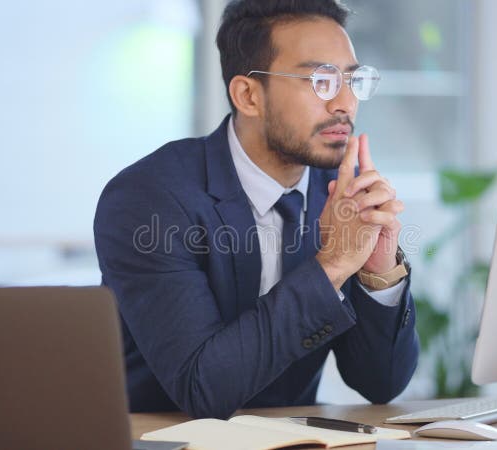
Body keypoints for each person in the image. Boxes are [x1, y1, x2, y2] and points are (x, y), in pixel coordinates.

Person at [94, 0, 419, 419]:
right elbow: (202, 389)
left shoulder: (340, 191)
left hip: (298, 439)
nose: (346, 103)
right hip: (167, 438)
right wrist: (334, 264)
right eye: (321, 80)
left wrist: (379, 273)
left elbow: (381, 383)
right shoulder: (150, 198)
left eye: (352, 80)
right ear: (248, 95)